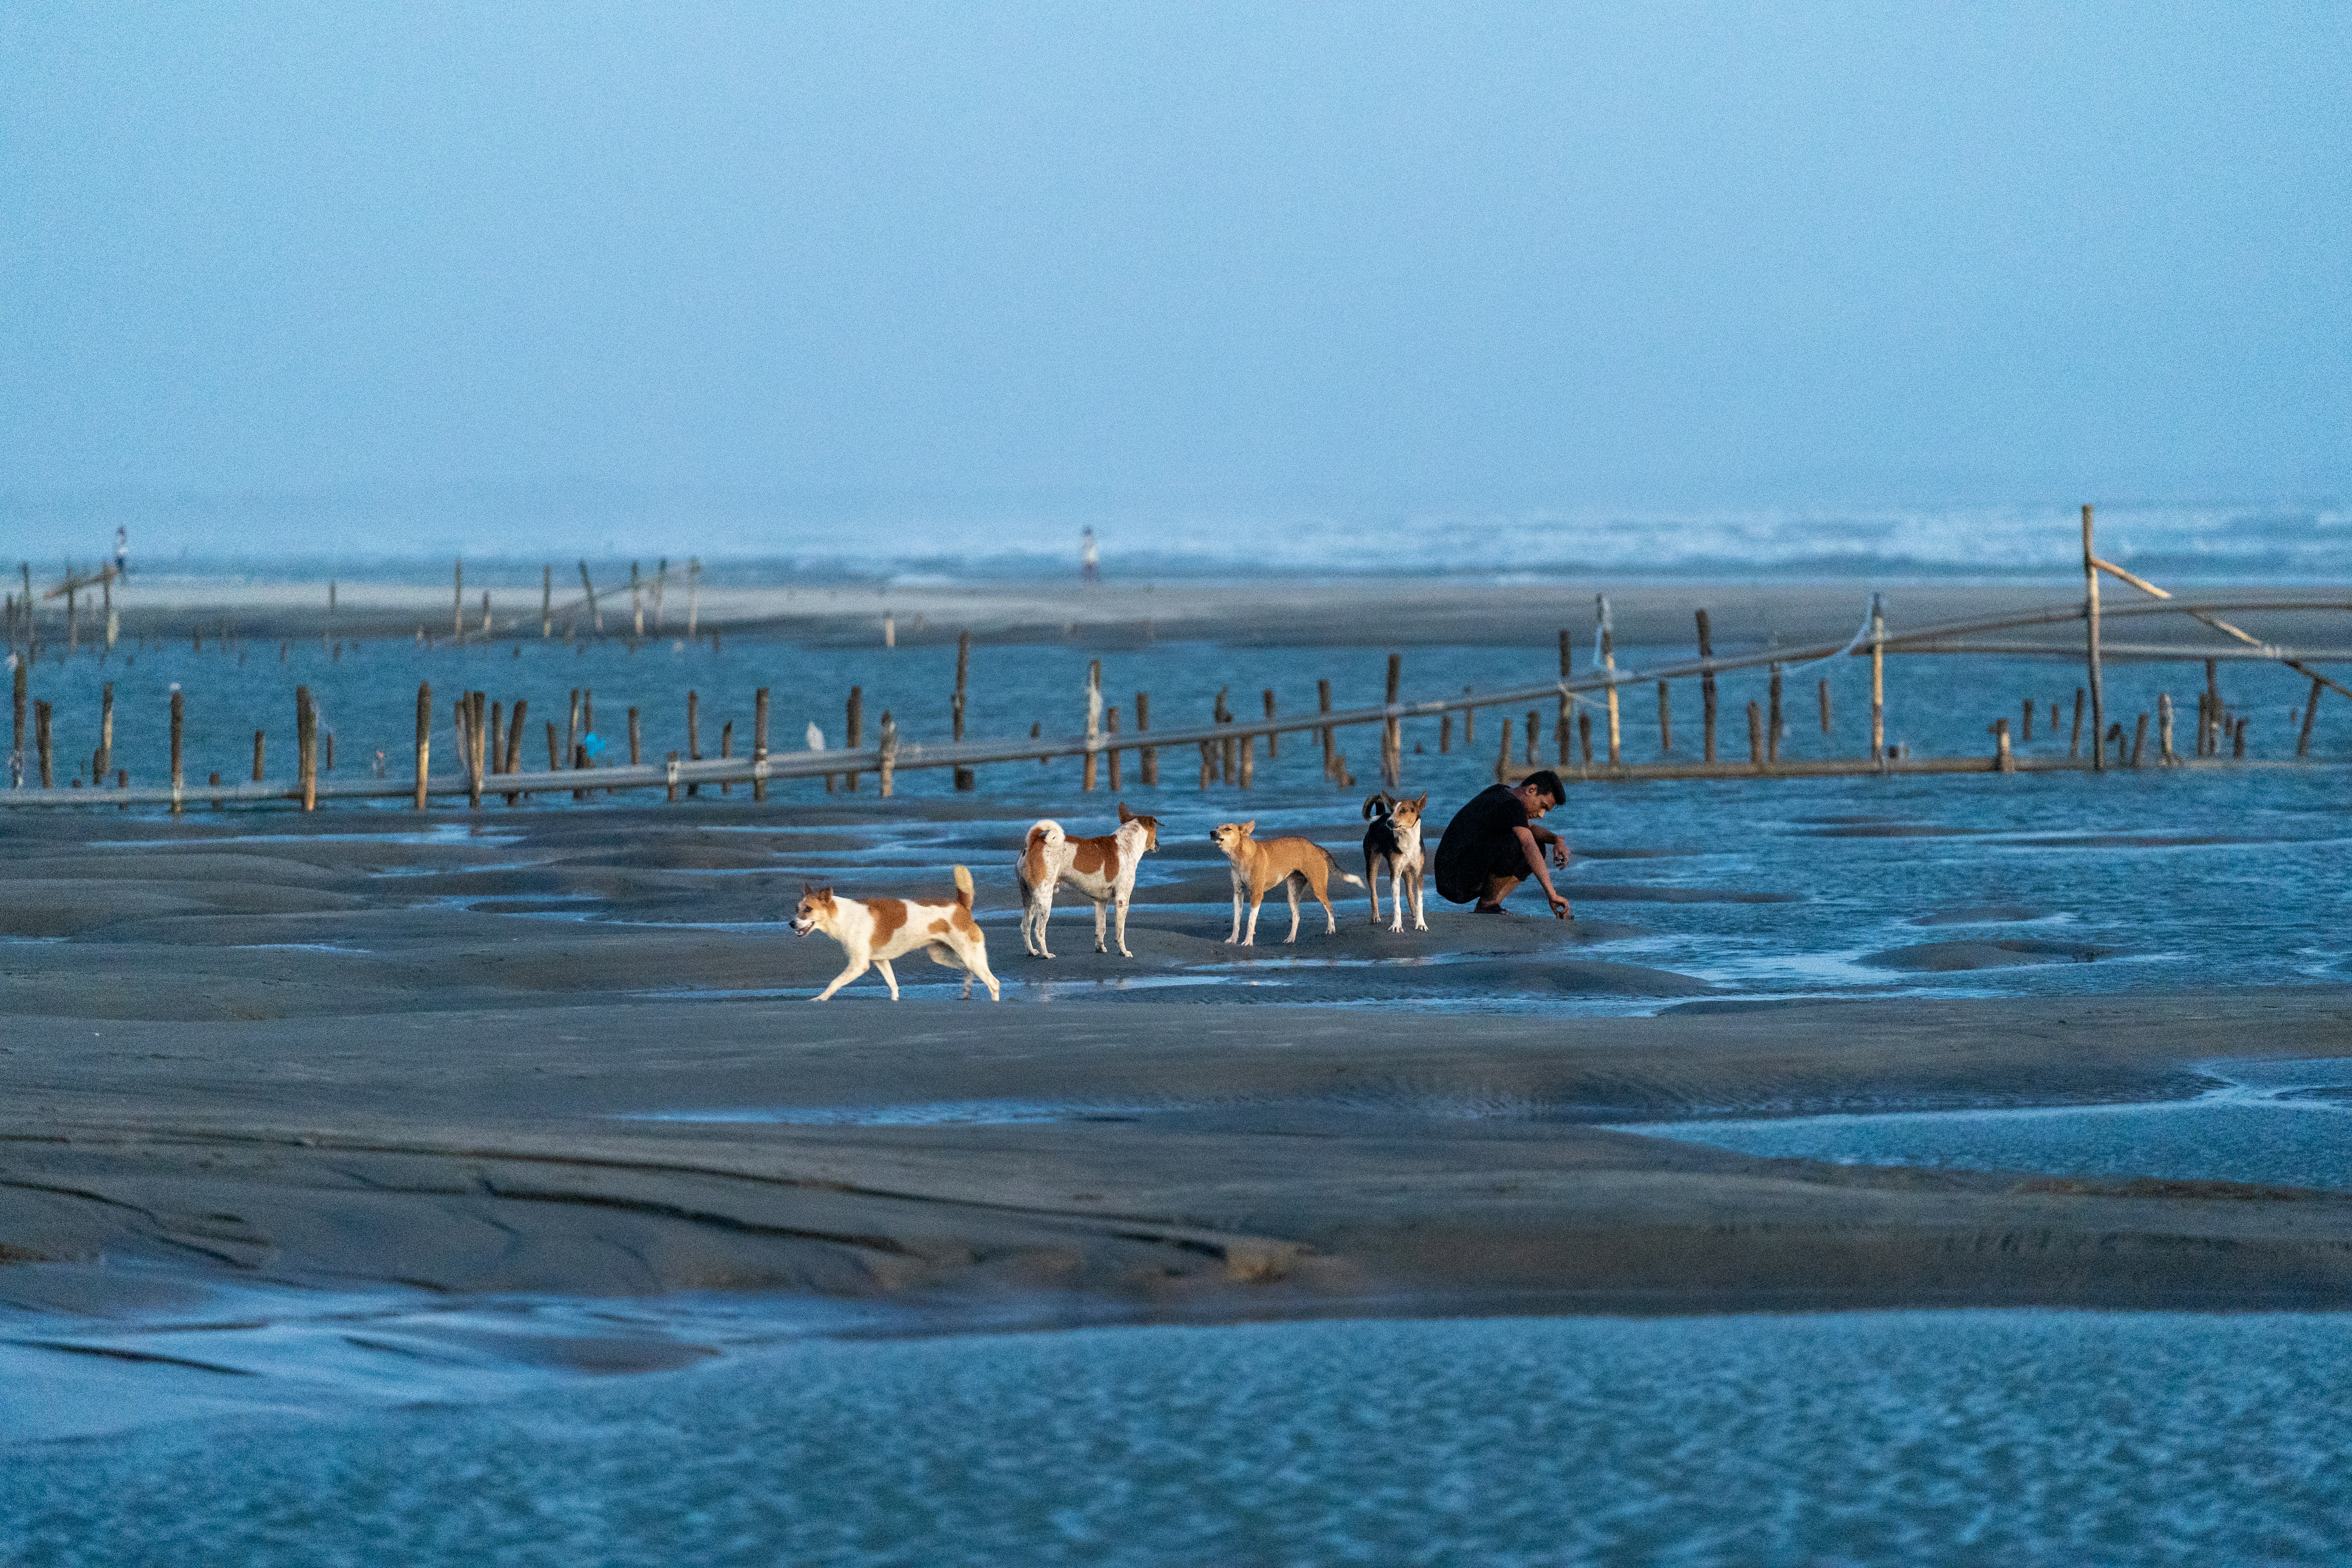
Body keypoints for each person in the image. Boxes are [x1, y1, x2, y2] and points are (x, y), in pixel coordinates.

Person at [1432, 770, 1572, 917]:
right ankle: (1488, 905)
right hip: (1453, 879)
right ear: (1532, 790)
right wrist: (1552, 894)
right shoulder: (1512, 805)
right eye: (1543, 806)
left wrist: (1557, 839)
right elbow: (1528, 845)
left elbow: (1529, 827)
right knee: (1521, 844)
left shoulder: (1503, 792)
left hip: (1453, 876)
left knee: (1536, 843)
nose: (1541, 815)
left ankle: (1491, 904)